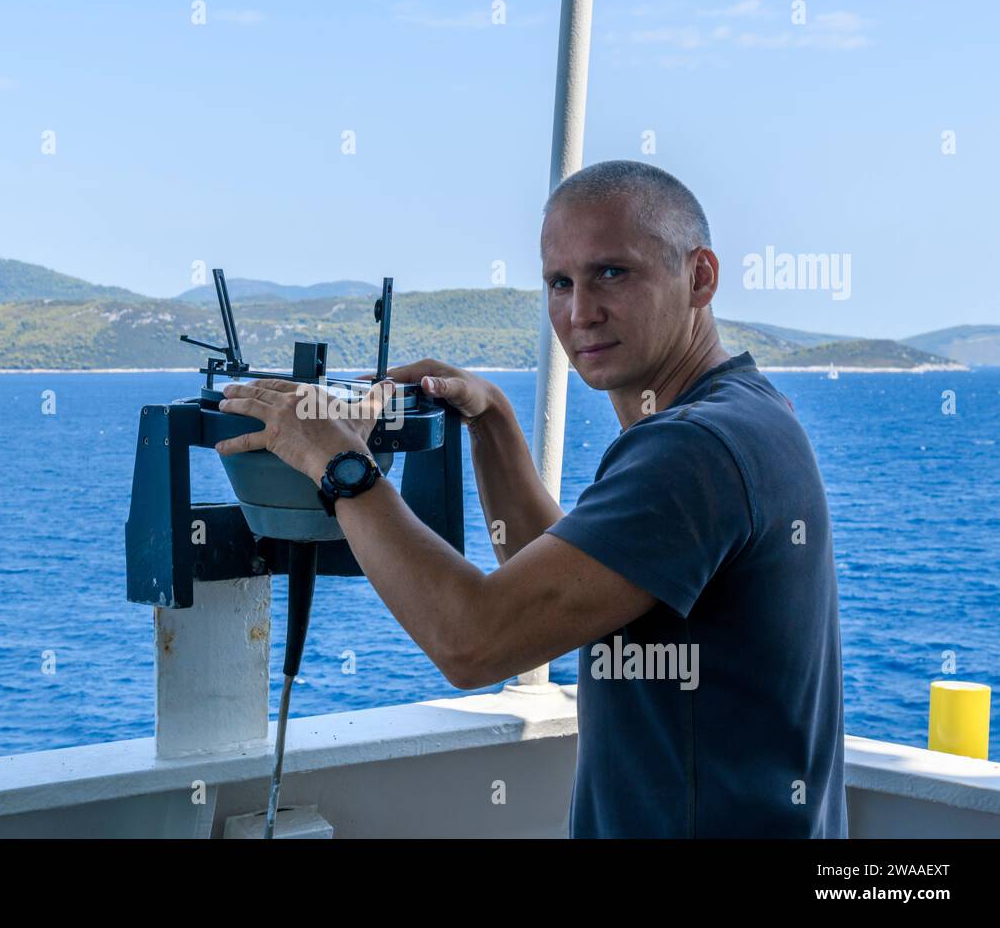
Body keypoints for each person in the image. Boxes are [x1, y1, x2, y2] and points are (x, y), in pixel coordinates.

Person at [214, 159, 847, 838]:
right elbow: (568, 596)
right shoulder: (745, 415)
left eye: (613, 272)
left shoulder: (693, 451)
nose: (580, 312)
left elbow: (475, 642)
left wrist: (337, 464)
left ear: (700, 277)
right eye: (559, 282)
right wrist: (493, 422)